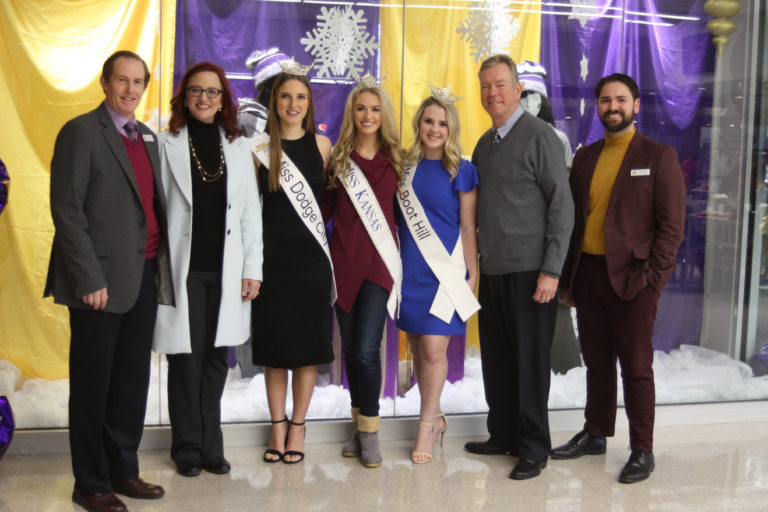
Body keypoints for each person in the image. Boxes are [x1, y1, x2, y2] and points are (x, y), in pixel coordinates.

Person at [44, 50, 173, 512]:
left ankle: (123, 470)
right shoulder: (81, 132)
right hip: (98, 282)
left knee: (130, 382)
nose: (130, 90)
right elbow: (67, 210)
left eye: (138, 82)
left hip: (143, 274)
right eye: (122, 80)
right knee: (93, 385)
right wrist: (88, 277)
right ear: (105, 82)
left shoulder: (148, 137)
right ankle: (90, 482)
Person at [553, 73, 686, 484]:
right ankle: (596, 433)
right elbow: (575, 221)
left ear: (636, 105)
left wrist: (653, 280)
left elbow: (671, 227)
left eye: (621, 99)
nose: (613, 106)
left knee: (636, 367)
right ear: (598, 107)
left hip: (634, 280)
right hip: (589, 274)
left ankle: (642, 449)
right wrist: (568, 278)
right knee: (597, 362)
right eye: (606, 100)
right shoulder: (586, 158)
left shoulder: (659, 156)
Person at [465, 54, 574, 480]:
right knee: (497, 360)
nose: (492, 92)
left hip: (532, 273)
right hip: (493, 271)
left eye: (500, 85)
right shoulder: (484, 144)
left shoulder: (540, 136)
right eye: (486, 86)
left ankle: (533, 447)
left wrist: (552, 270)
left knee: (529, 365)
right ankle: (503, 434)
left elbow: (562, 207)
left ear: (517, 89)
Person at [152, 62, 263, 477]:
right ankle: (186, 447)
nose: (204, 98)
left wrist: (253, 268)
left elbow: (250, 212)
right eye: (196, 90)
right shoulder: (164, 144)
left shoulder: (238, 147)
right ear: (184, 97)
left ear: (223, 101)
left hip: (226, 271)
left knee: (217, 361)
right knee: (185, 361)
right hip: (183, 270)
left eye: (212, 92)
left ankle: (211, 446)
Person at [250, 60, 333, 465]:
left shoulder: (323, 146)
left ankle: (298, 426)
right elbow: (250, 212)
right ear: (275, 101)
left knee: (306, 350)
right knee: (275, 350)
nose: (293, 104)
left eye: (301, 97)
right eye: (286, 96)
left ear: (309, 103)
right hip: (272, 264)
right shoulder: (259, 149)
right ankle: (277, 425)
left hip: (311, 264)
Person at [324, 73, 403, 468]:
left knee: (368, 349)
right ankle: (359, 425)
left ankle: (371, 433)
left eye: (374, 109)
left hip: (378, 267)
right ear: (351, 113)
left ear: (383, 114)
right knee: (352, 351)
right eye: (361, 108)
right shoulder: (339, 160)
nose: (368, 115)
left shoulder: (397, 162)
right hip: (343, 265)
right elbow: (322, 212)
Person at [396, 88, 479, 463]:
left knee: (432, 350)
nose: (434, 129)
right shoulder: (404, 167)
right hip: (411, 271)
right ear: (419, 124)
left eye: (442, 123)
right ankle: (437, 416)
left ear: (451, 129)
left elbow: (469, 226)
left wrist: (472, 274)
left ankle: (426, 426)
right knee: (418, 349)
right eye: (428, 121)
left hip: (446, 273)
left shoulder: (463, 170)